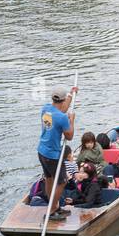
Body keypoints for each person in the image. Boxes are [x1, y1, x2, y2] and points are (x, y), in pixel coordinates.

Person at [38, 84, 78, 220]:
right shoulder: (62, 118)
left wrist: (71, 95)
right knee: (62, 181)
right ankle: (51, 210)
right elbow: (69, 136)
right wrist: (71, 120)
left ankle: (53, 207)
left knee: (49, 180)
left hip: (41, 151)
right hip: (52, 155)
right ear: (62, 99)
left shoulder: (46, 109)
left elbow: (62, 108)